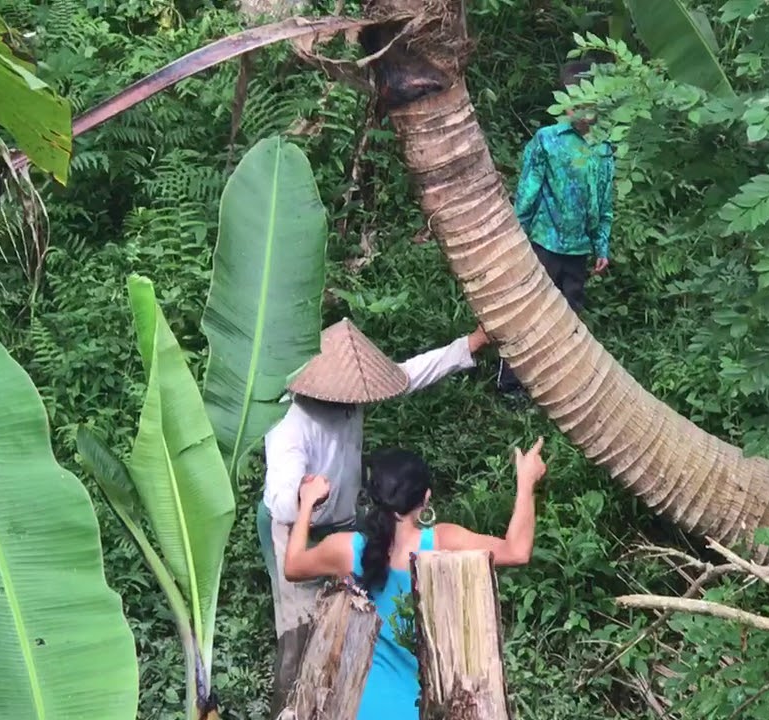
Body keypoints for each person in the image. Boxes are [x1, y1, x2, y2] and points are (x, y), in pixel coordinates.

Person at [259, 317, 491, 713]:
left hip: (344, 524)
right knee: (299, 632)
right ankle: (293, 706)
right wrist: (305, 494)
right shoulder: (289, 424)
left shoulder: (351, 396)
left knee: (350, 624)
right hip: (294, 528)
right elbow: (281, 499)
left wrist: (469, 344)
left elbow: (407, 375)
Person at [283, 438, 548, 720]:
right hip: (416, 709)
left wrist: (308, 503)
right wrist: (526, 483)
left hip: (357, 706)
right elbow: (517, 551)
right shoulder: (442, 542)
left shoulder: (347, 550)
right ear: (426, 499)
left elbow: (293, 566)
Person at [497, 58, 616, 394]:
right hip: (544, 245)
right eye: (582, 101)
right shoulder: (547, 140)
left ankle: (559, 381)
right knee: (529, 313)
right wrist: (516, 237)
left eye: (595, 101)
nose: (589, 110)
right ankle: (511, 383)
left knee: (571, 313)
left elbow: (604, 200)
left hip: (579, 250)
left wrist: (601, 244)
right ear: (567, 100)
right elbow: (528, 193)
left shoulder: (604, 146)